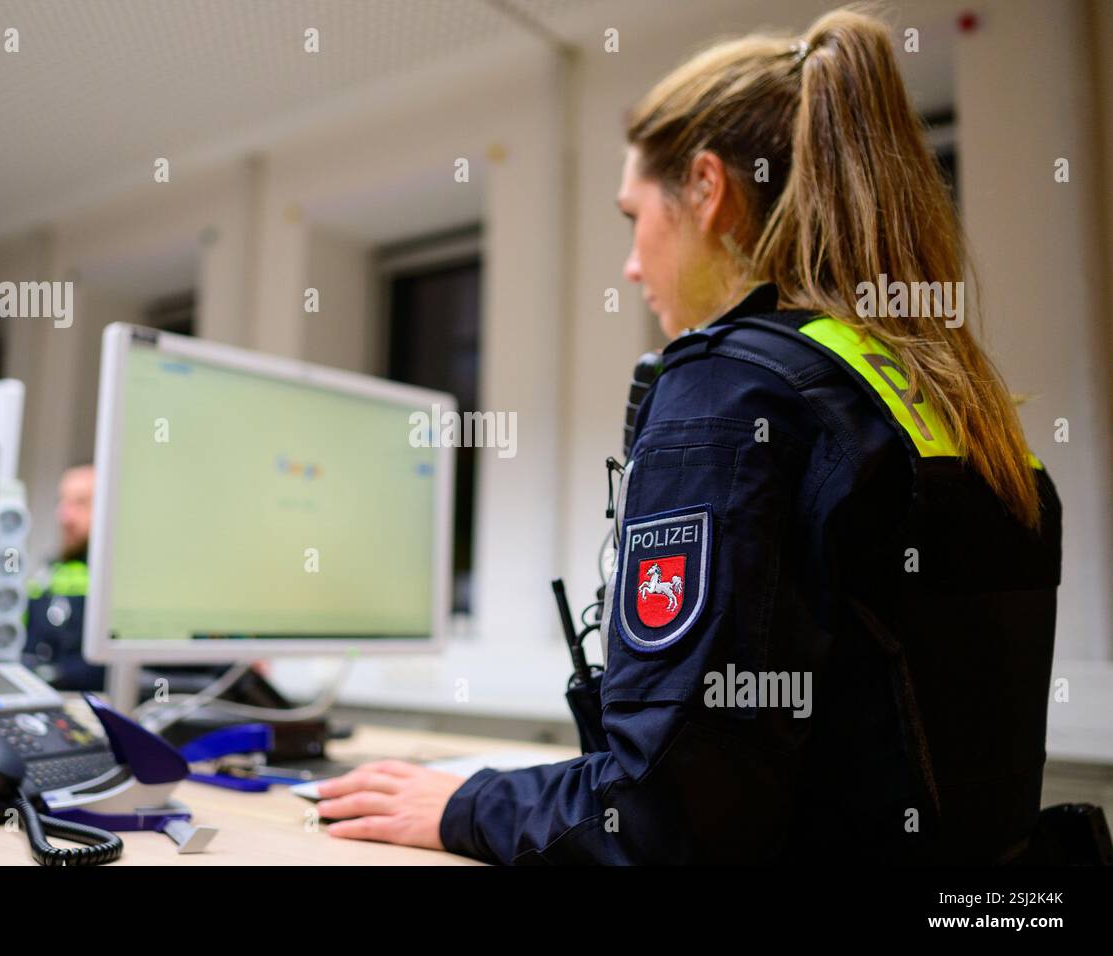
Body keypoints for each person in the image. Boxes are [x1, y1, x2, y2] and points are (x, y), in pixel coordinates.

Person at [313, 7, 1062, 864]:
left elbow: (662, 819)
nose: (632, 264)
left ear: (706, 189)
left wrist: (468, 804)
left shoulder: (730, 388)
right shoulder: (949, 400)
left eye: (633, 215)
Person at [24, 463, 106, 690]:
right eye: (62, 502)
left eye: (81, 503)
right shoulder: (45, 575)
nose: (64, 516)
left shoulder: (120, 584)